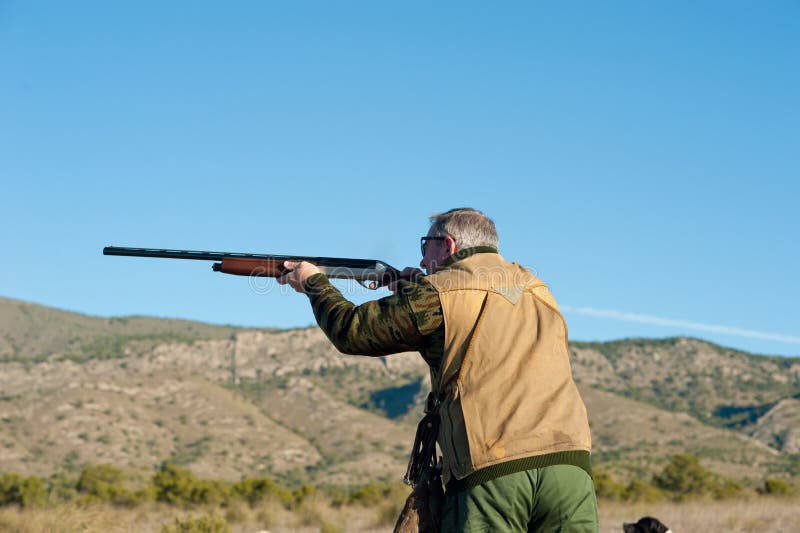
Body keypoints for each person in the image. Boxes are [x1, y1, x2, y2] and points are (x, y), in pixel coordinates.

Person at [277, 208, 598, 532]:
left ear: (447, 245)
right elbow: (482, 311)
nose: (421, 259)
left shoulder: (438, 291)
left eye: (424, 247)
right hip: (570, 467)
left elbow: (353, 332)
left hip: (493, 469)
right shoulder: (536, 288)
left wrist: (314, 282)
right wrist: (414, 287)